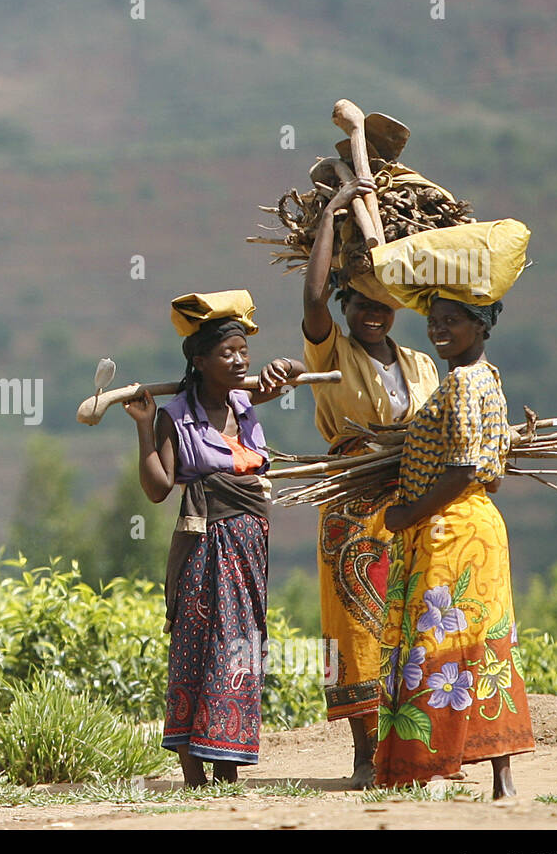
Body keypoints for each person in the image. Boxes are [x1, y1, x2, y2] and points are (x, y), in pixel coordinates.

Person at [296, 178, 440, 789]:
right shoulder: (332, 353)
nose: (373, 315)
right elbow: (310, 300)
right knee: (357, 622)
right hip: (353, 499)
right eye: (361, 305)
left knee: (417, 618)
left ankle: (418, 749)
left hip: (414, 498)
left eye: (384, 306)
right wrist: (330, 214)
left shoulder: (422, 365)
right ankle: (364, 753)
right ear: (346, 307)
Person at [123, 290, 299, 787]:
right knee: (200, 646)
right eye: (227, 353)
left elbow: (292, 371)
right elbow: (158, 488)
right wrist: (143, 427)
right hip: (205, 547)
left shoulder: (245, 404)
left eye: (244, 351)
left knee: (241, 646)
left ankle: (229, 766)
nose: (240, 360)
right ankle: (193, 772)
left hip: (249, 548)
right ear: (199, 362)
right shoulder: (174, 416)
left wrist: (284, 364)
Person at [376, 293, 534, 798]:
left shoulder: (464, 383)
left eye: (453, 322)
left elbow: (463, 468)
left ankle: (423, 767)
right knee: (482, 648)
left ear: (481, 327)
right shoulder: (490, 377)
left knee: (437, 644)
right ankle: (501, 778)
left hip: (451, 530)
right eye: (434, 321)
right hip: (480, 525)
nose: (439, 330)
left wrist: (406, 515)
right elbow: (493, 475)